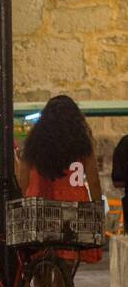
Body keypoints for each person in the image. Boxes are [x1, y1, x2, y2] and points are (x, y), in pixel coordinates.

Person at [17, 95, 104, 265]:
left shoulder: (33, 144)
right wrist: (97, 209)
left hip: (40, 205)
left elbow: (23, 181)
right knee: (66, 262)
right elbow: (93, 181)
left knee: (40, 262)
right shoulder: (83, 144)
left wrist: (21, 206)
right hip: (74, 206)